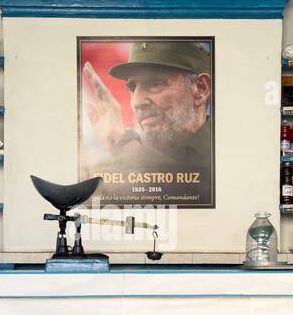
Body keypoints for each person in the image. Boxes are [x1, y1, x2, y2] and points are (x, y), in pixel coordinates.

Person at [81, 40, 214, 204]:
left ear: (200, 89)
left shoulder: (228, 151)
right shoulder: (110, 169)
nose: (136, 102)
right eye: (132, 88)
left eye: (155, 84)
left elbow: (200, 191)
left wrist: (125, 145)